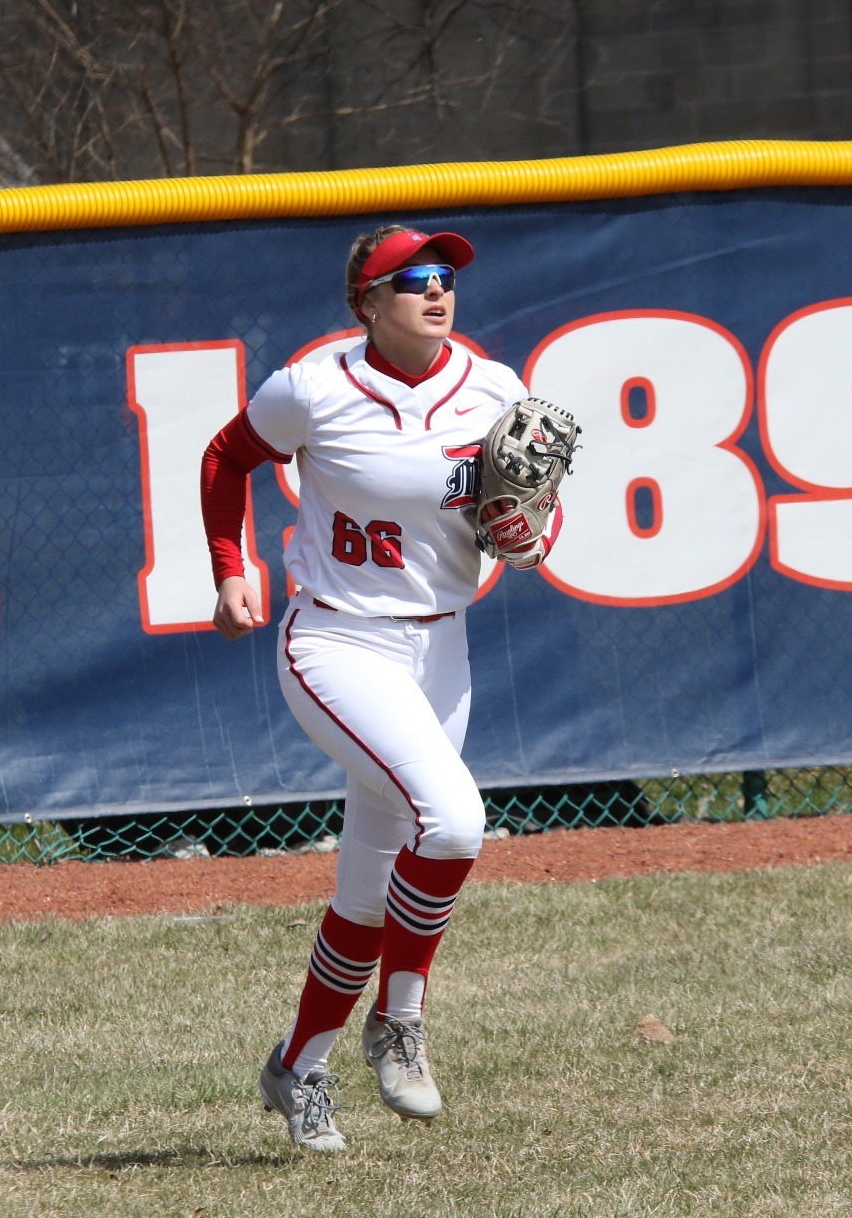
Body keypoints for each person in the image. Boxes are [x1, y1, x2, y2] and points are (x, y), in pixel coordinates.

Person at [198, 224, 561, 1153]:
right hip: (336, 640)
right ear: (367, 301)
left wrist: (530, 537)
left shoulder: (493, 388)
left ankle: (297, 1067)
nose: (439, 292)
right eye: (415, 280)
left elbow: (531, 518)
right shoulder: (314, 385)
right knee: (455, 820)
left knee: (366, 892)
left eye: (446, 277)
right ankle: (400, 1019)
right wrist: (230, 566)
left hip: (443, 648)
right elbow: (225, 456)